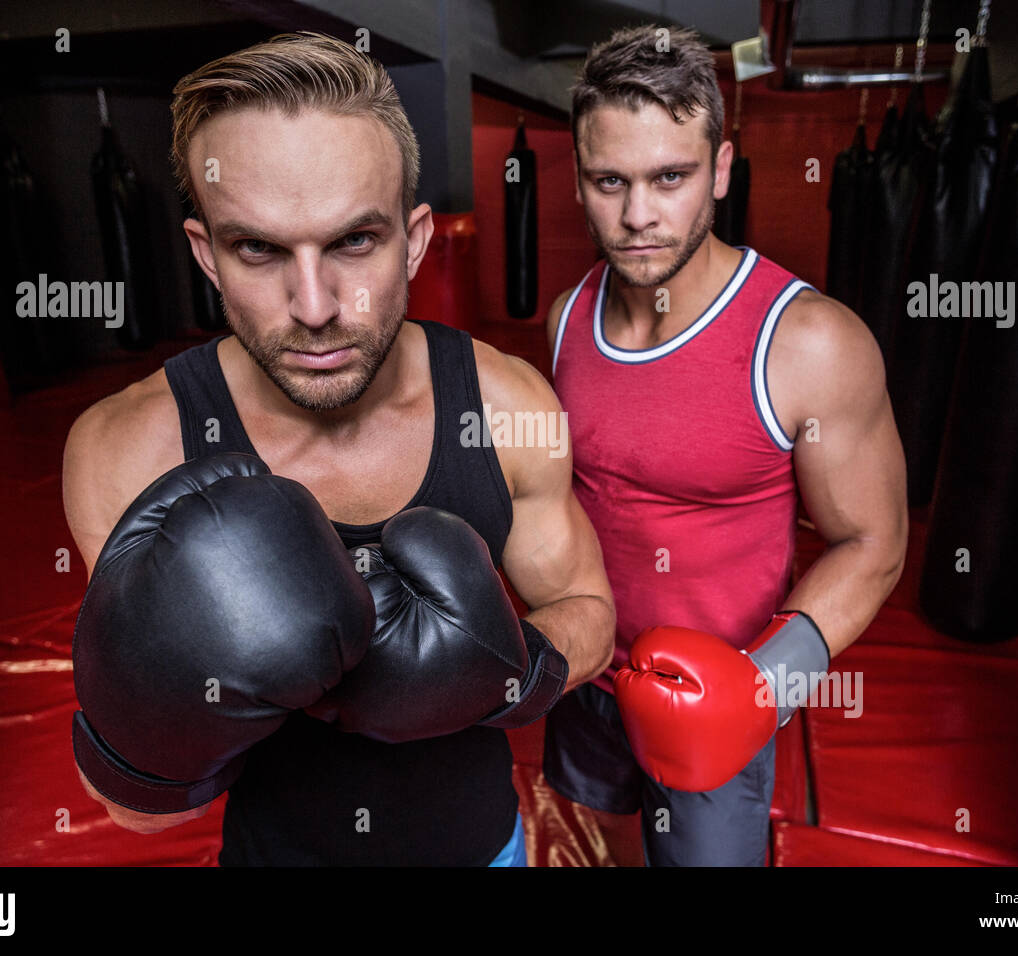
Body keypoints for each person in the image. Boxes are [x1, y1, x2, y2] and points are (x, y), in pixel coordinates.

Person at [62, 32, 615, 866]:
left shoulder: (505, 406)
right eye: (259, 249)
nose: (315, 307)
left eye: (356, 241)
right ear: (206, 253)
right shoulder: (129, 448)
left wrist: (511, 671)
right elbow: (136, 808)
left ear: (416, 238)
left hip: (482, 851)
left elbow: (591, 612)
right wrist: (176, 715)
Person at [542, 25, 908, 867]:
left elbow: (876, 543)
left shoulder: (807, 341)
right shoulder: (566, 319)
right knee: (613, 848)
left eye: (670, 177)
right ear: (579, 182)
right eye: (610, 182)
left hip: (723, 696)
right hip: (590, 677)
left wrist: (759, 690)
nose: (638, 216)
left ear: (720, 167)